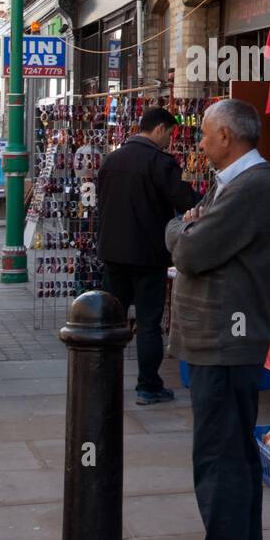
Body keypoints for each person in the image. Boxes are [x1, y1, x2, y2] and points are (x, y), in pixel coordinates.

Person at [163, 99, 270, 540]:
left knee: (219, 460)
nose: (201, 141)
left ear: (228, 136)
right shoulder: (236, 183)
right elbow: (200, 238)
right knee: (233, 456)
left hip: (224, 343)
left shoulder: (249, 187)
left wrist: (177, 228)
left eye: (207, 134)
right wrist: (190, 227)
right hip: (223, 341)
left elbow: (190, 249)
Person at [97, 105, 198, 404]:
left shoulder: (111, 160)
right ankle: (148, 386)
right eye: (169, 134)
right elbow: (186, 201)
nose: (169, 140)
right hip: (147, 255)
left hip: (113, 253)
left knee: (111, 319)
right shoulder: (160, 162)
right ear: (158, 129)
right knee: (149, 322)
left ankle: (103, 380)